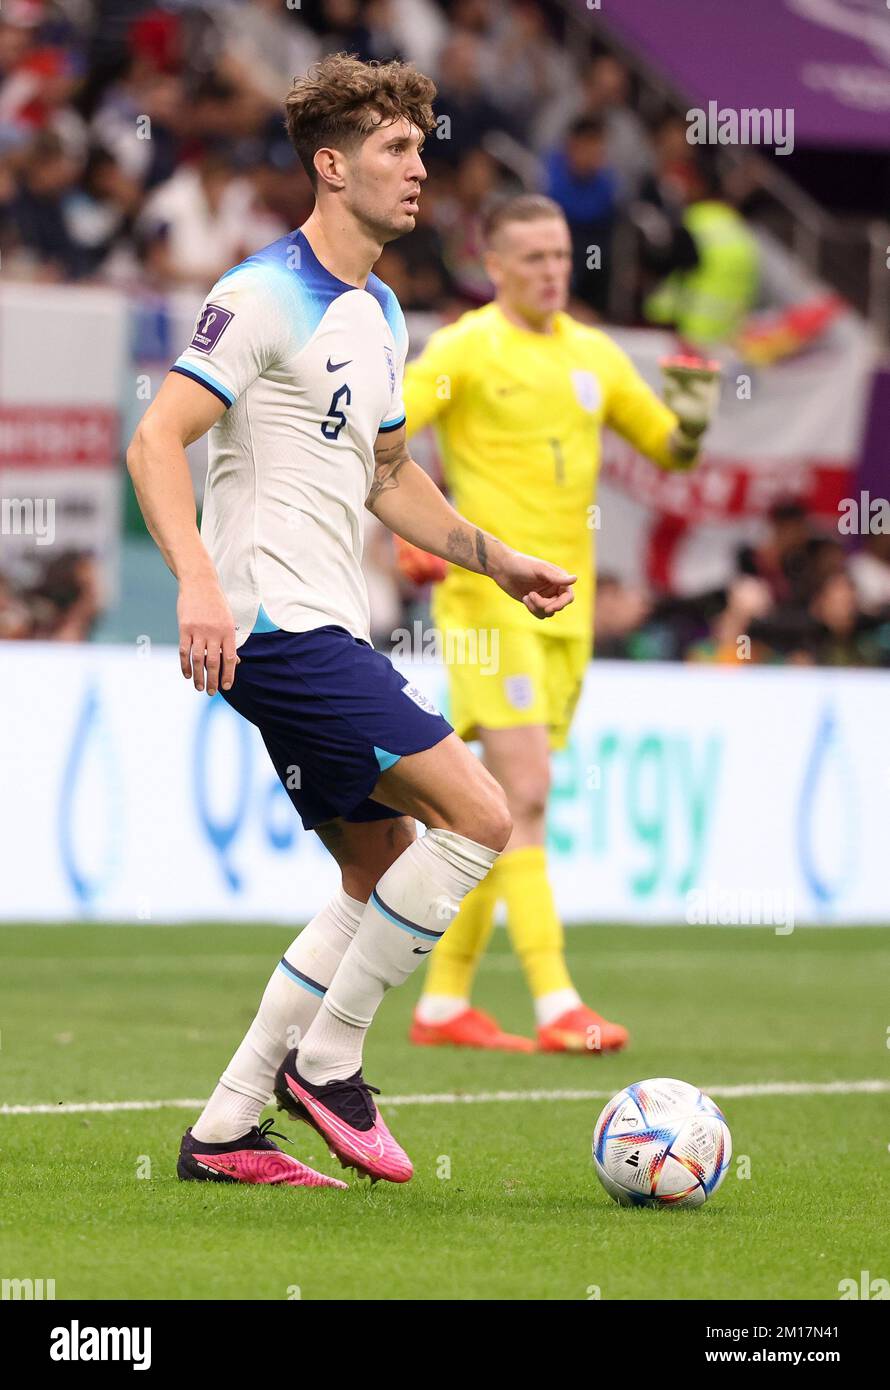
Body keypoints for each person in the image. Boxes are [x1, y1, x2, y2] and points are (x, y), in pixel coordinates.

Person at [126, 55, 576, 1189]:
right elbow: (153, 438)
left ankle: (225, 1130)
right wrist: (194, 581)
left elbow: (388, 477)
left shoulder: (378, 309)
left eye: (420, 148)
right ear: (330, 167)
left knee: (376, 869)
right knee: (480, 810)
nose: (419, 168)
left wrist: (493, 555)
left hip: (331, 626)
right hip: (274, 628)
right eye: (393, 149)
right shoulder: (261, 291)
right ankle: (327, 1062)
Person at [398, 194, 719, 1053]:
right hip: (485, 603)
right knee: (528, 794)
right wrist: (415, 537)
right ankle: (556, 1002)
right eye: (532, 257)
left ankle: (442, 1005)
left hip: (564, 615)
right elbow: (379, 437)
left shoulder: (595, 355)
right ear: (494, 265)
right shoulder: (465, 348)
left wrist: (691, 417)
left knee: (499, 808)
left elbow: (670, 450)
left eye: (560, 254)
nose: (551, 270)